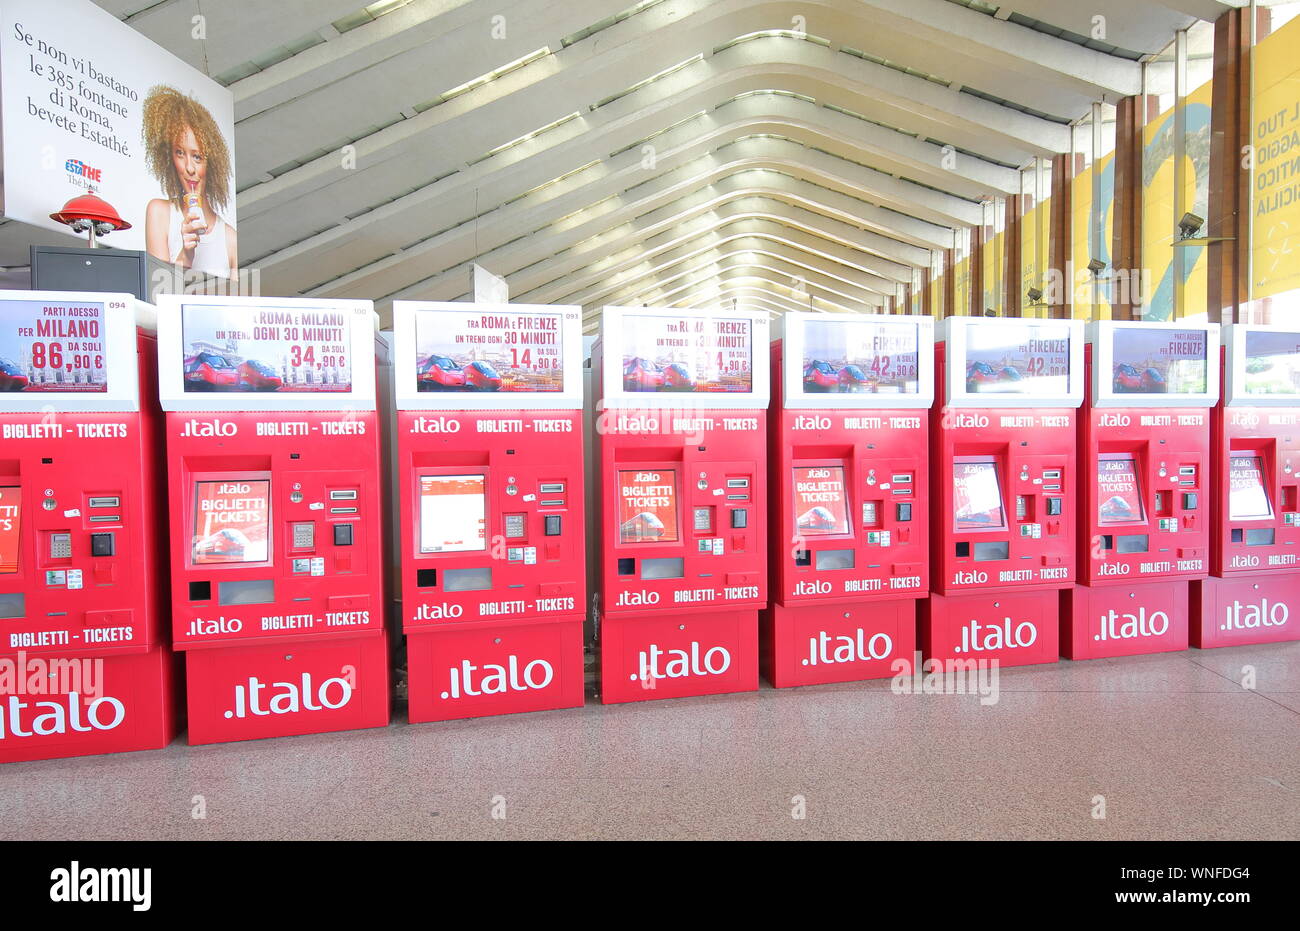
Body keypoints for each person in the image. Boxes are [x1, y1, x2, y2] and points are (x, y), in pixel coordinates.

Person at [141, 85, 237, 276]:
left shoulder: (230, 239)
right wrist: (186, 255)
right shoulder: (160, 213)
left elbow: (237, 301)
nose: (189, 168)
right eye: (179, 153)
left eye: (197, 157)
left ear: (213, 164)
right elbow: (158, 295)